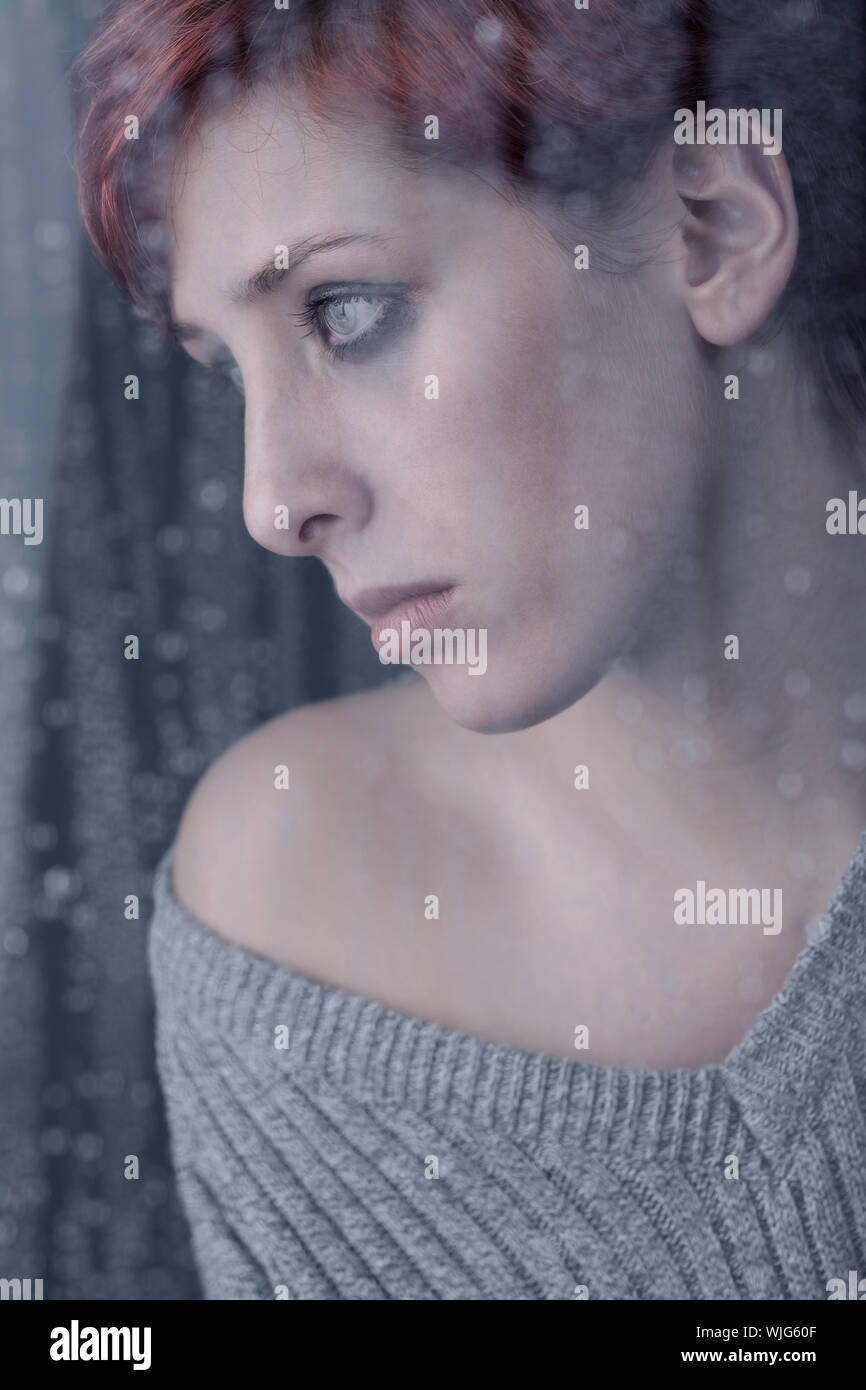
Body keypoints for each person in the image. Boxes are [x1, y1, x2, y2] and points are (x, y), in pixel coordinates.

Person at [70, 0, 866, 1299]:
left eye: (348, 311)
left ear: (710, 225)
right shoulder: (291, 910)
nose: (273, 502)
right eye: (229, 371)